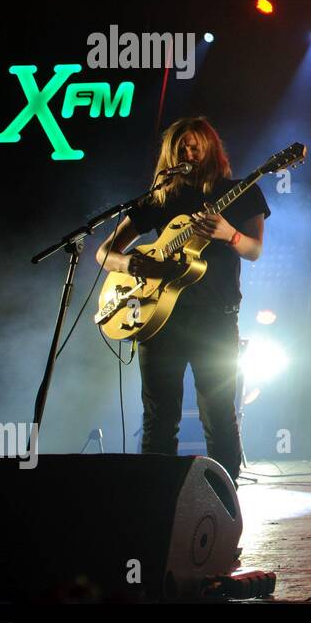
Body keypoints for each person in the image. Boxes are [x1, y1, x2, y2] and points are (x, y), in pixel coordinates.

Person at [95, 117, 270, 482]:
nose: (188, 152)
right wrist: (130, 262)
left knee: (218, 413)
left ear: (210, 147)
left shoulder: (241, 191)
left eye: (194, 145)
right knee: (159, 416)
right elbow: (104, 253)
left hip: (216, 319)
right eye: (181, 147)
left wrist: (228, 234)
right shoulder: (160, 197)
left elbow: (254, 250)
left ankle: (225, 497)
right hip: (159, 319)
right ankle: (154, 497)